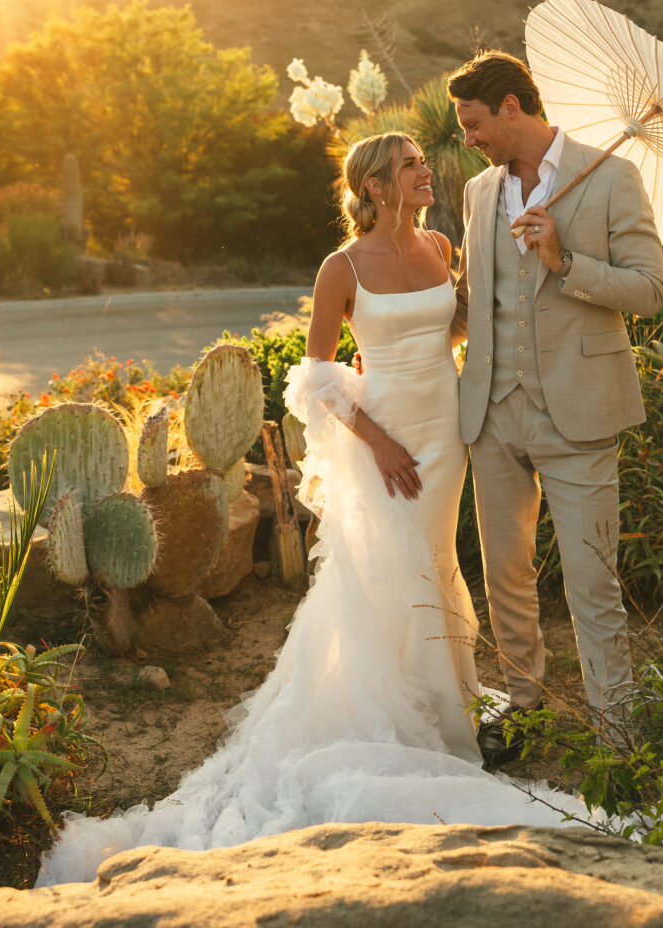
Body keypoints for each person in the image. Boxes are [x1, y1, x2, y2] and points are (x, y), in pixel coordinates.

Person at [36, 132, 588, 888]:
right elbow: (316, 376)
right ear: (377, 184)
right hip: (385, 435)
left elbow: (454, 329)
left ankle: (445, 696)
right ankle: (405, 719)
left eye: (424, 162)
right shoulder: (342, 267)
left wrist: (525, 262)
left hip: (447, 428)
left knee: (433, 560)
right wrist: (380, 440)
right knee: (389, 569)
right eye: (412, 166)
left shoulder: (438, 244)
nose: (429, 172)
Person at [447, 52, 663, 767]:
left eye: (475, 124)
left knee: (590, 580)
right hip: (492, 411)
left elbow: (646, 290)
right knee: (505, 575)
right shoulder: (480, 192)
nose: (470, 140)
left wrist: (565, 263)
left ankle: (619, 739)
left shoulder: (611, 179)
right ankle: (525, 709)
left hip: (579, 412)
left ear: (512, 107)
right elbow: (476, 300)